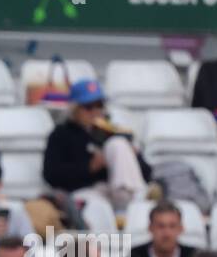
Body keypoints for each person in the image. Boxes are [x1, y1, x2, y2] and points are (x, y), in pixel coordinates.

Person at [43, 80, 150, 213]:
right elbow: (52, 175)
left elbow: (147, 173)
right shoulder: (61, 134)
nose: (95, 111)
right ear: (74, 109)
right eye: (88, 107)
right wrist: (90, 167)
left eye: (99, 105)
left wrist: (134, 157)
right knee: (96, 208)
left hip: (118, 190)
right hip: (84, 191)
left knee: (118, 144)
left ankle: (130, 202)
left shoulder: (114, 132)